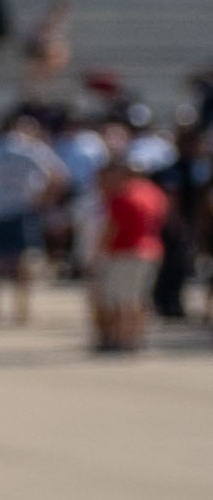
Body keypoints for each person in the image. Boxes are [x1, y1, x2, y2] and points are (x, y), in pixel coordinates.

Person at [0, 108, 65, 327]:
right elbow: (58, 175)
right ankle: (21, 310)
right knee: (22, 261)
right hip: (21, 208)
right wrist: (43, 200)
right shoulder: (30, 150)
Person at [86, 144, 170, 356]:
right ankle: (136, 338)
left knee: (122, 300)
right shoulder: (154, 193)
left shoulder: (123, 196)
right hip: (152, 249)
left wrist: (97, 253)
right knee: (139, 297)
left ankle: (123, 339)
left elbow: (110, 229)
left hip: (126, 252)